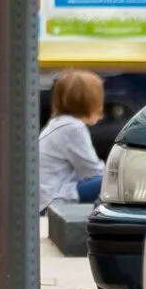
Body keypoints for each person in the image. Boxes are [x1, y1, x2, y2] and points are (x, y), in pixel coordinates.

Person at [38, 70, 107, 211]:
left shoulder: (59, 123)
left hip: (46, 196)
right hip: (55, 197)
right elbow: (92, 170)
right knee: (116, 182)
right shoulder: (73, 128)